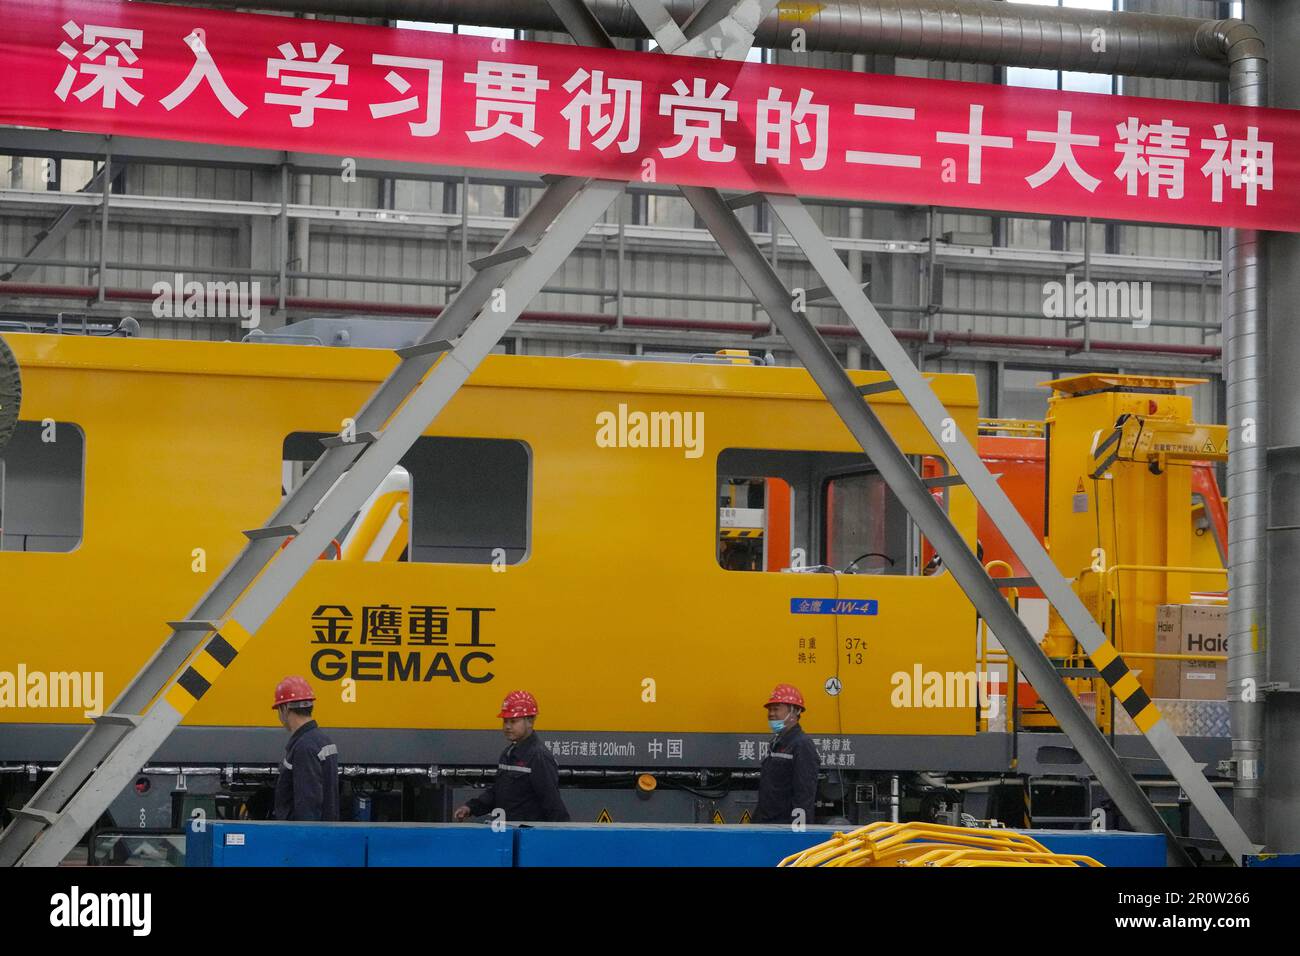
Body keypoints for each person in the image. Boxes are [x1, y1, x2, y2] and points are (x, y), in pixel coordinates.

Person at [453, 690, 570, 823]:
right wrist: (471, 808)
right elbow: (498, 792)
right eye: (505, 721)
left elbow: (552, 804)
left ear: (530, 721)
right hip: (509, 834)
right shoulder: (509, 753)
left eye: (513, 721)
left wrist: (559, 839)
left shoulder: (538, 757)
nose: (507, 727)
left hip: (528, 836)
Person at [271, 676, 340, 821]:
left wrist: (304, 837)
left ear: (286, 708)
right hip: (326, 831)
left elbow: (308, 804)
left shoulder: (304, 747)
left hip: (305, 837)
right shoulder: (324, 740)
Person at [754, 683, 819, 825]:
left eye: (776, 709)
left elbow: (804, 794)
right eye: (770, 709)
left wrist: (798, 830)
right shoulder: (776, 743)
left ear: (794, 711)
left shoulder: (802, 745)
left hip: (784, 826)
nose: (771, 714)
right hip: (769, 824)